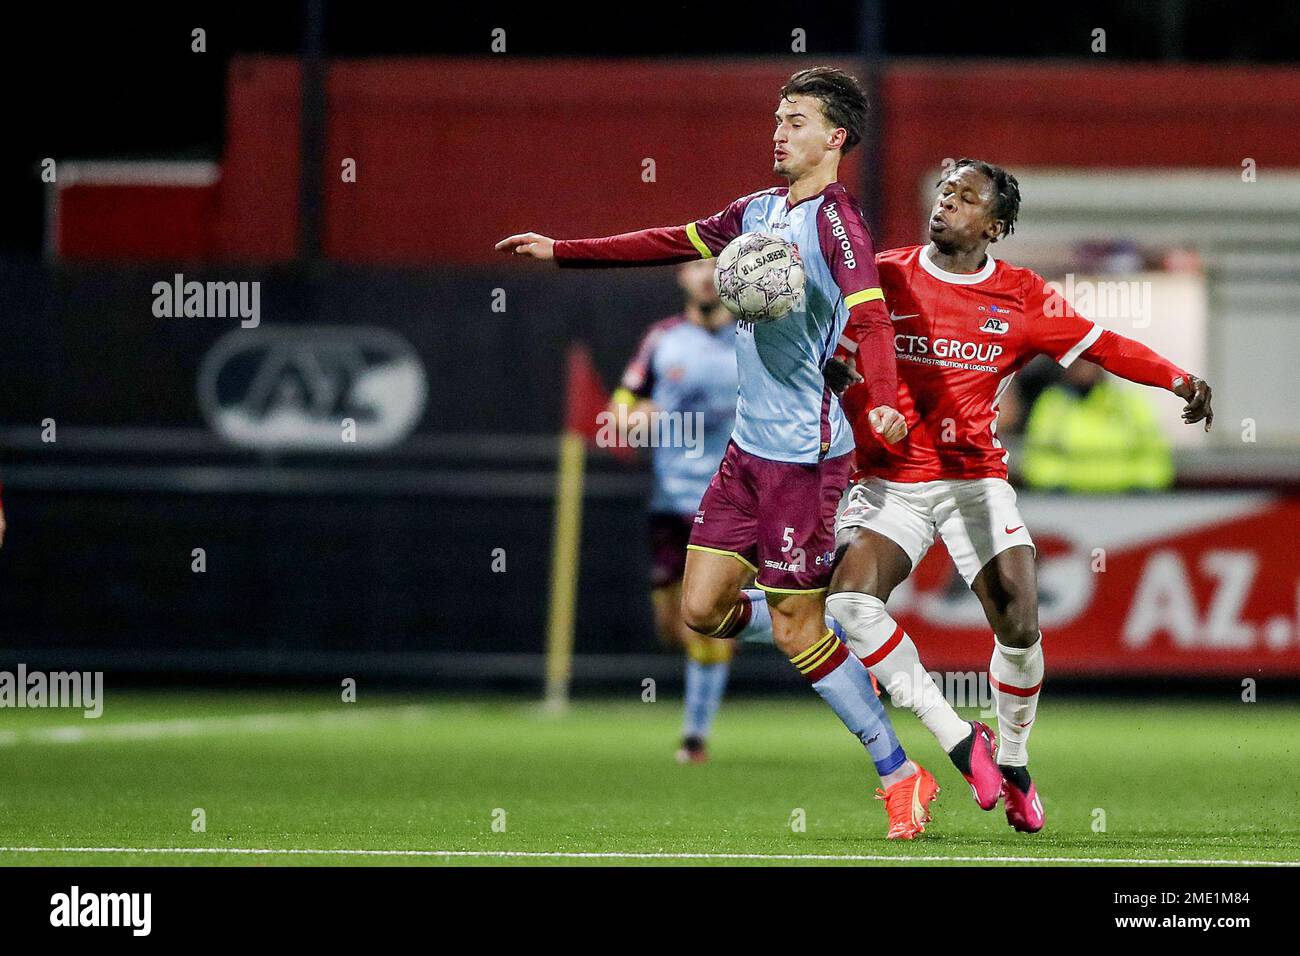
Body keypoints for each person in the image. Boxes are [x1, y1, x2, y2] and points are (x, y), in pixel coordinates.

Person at [498, 67, 941, 839]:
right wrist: (561, 249)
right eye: (777, 116)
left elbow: (871, 321)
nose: (779, 130)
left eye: (796, 120)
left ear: (835, 137)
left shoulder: (838, 225)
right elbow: (669, 239)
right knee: (702, 610)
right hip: (745, 453)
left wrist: (882, 402)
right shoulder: (758, 210)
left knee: (799, 631)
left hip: (805, 458)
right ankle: (826, 613)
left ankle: (899, 772)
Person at [823, 158, 1213, 833]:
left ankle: (1012, 761)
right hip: (890, 482)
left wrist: (1179, 379)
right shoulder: (882, 276)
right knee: (850, 605)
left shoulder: (1023, 296)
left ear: (996, 226)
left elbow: (1105, 345)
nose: (947, 201)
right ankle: (955, 738)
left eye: (967, 197)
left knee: (1021, 627)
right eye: (945, 190)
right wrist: (833, 373)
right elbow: (823, 343)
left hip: (974, 481)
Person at [611, 260, 741, 763]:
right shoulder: (661, 339)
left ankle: (694, 735)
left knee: (706, 618)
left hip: (730, 500)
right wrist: (628, 418)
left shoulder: (753, 338)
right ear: (681, 278)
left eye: (717, 266)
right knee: (673, 624)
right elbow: (626, 400)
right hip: (670, 499)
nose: (707, 276)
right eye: (697, 266)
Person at [1021, 358, 1175, 492]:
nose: (1084, 367)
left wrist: (1144, 486)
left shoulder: (1129, 402)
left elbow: (1154, 452)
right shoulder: (1053, 403)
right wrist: (1054, 485)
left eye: (1090, 360)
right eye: (1078, 361)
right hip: (1069, 502)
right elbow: (1038, 453)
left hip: (1127, 501)